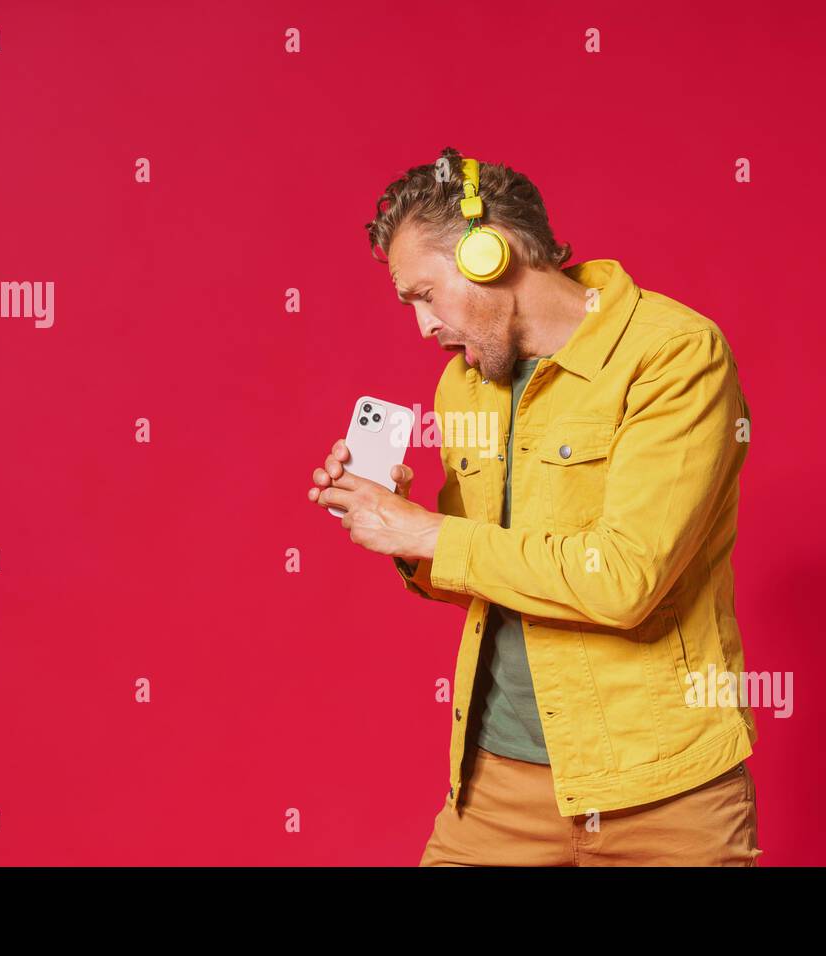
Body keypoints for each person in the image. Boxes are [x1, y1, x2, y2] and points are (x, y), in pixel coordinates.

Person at [307, 147, 762, 866]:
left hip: (665, 793)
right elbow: (483, 571)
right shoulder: (467, 386)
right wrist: (395, 524)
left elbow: (623, 581)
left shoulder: (674, 357)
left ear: (492, 253)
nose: (422, 327)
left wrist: (431, 532)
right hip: (496, 788)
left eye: (425, 294)